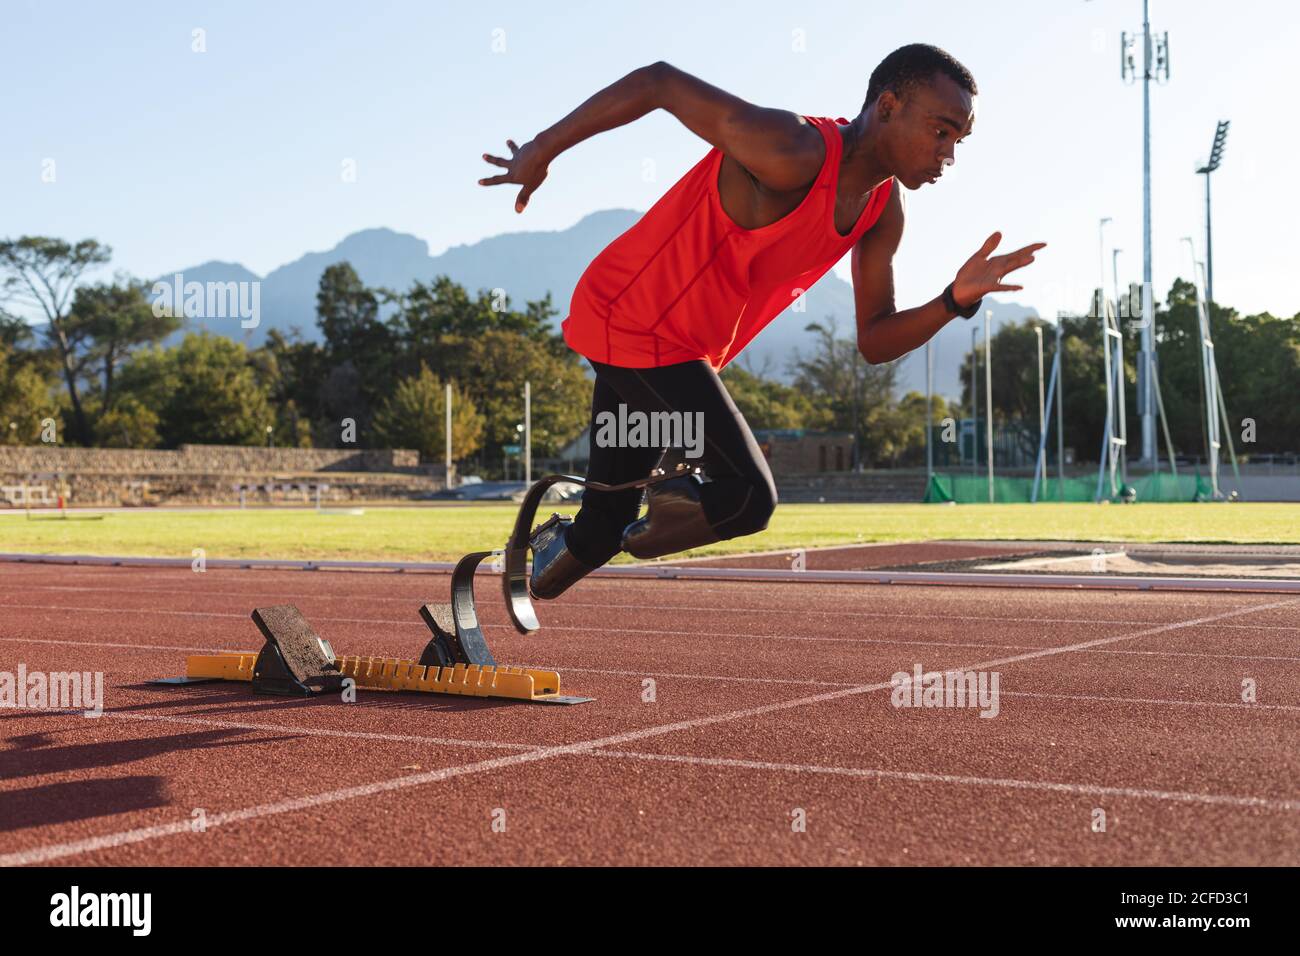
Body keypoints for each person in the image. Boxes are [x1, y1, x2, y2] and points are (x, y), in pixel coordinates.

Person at [478, 43, 1045, 600]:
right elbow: (659, 83)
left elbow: (874, 339)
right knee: (748, 496)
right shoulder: (792, 148)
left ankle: (500, 584)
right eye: (941, 130)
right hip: (631, 319)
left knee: (603, 529)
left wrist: (952, 300)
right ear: (889, 105)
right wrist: (543, 148)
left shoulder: (882, 211)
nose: (948, 155)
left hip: (682, 349)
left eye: (959, 141)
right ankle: (673, 490)